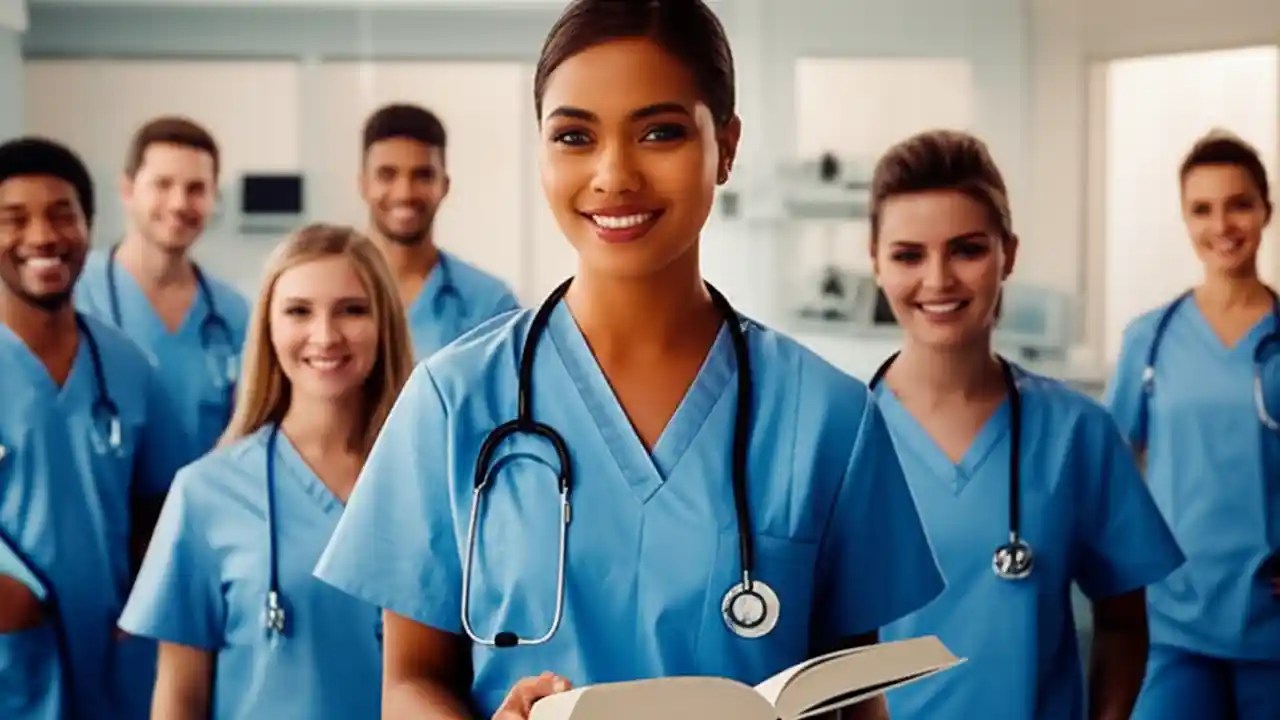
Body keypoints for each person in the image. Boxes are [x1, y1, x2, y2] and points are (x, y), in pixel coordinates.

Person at [315, 1, 947, 719]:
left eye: (659, 132)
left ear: (727, 146)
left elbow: (855, 700)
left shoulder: (830, 418)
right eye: (575, 136)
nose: (613, 175)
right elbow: (410, 681)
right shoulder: (452, 402)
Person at [865, 129, 1185, 720]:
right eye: (909, 254)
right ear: (876, 263)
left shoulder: (1077, 434)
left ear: (1007, 254)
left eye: (967, 249)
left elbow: (1122, 623)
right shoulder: (840, 440)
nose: (938, 280)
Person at [116, 223, 415, 719]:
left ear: (383, 323)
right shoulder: (206, 492)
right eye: (299, 311)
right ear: (267, 327)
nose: (325, 335)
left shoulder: (429, 484)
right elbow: (178, 700)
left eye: (352, 310)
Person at [0, 136, 187, 719]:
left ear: (88, 227)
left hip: (111, 659)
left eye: (63, 215)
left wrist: (145, 600)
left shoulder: (127, 366)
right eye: (14, 219)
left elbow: (160, 508)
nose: (42, 237)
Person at [1105, 130, 1280, 719]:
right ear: (1184, 219)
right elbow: (1108, 472)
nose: (1222, 224)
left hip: (1272, 624)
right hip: (1172, 623)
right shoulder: (1149, 340)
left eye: (1239, 204)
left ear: (1266, 210)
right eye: (1201, 209)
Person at [75, 116, 250, 466]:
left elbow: (248, 425)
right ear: (127, 189)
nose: (179, 204)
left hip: (201, 510)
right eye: (163, 184)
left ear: (214, 197)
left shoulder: (233, 314)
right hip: (110, 511)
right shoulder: (78, 293)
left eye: (196, 189)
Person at [358, 103, 520, 360]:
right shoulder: (324, 293)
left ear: (444, 185)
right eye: (387, 175)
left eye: (422, 176)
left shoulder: (489, 305)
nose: (404, 193)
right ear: (363, 183)